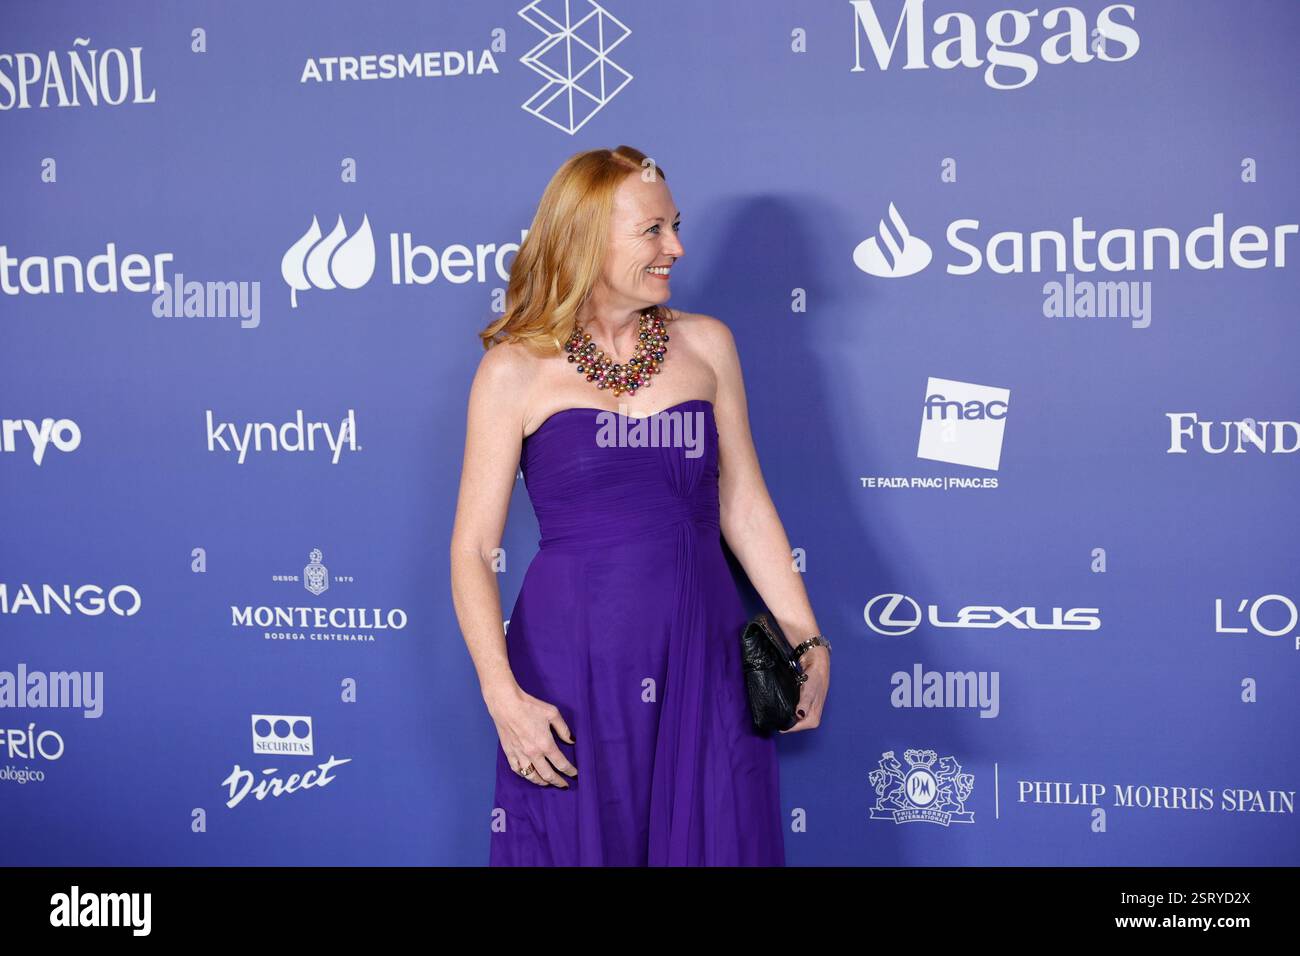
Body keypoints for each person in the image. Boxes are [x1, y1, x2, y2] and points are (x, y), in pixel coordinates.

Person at [449, 145, 830, 866]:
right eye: (653, 230)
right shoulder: (514, 369)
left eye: (675, 225)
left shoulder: (707, 346)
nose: (677, 248)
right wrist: (503, 697)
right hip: (570, 667)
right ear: (586, 236)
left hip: (706, 655)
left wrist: (806, 635)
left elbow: (743, 503)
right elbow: (472, 548)